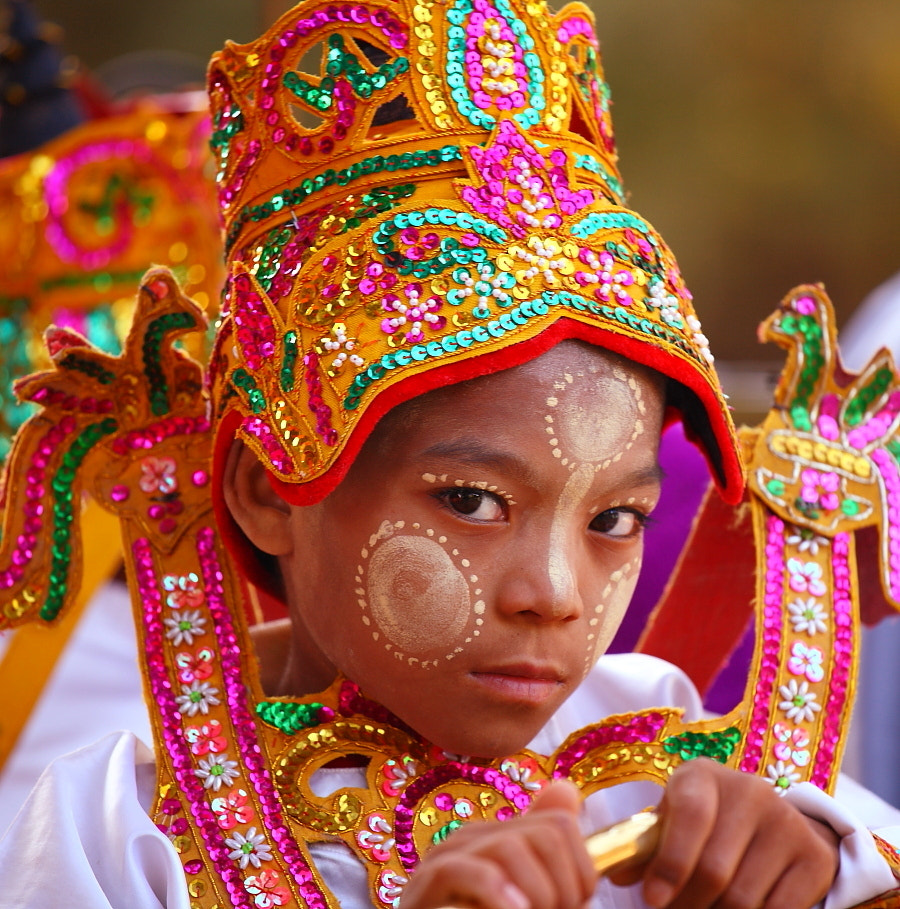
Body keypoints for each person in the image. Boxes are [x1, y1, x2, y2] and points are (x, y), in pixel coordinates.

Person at [1, 0, 899, 906]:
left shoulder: (677, 761)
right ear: (270, 488)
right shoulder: (116, 834)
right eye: (472, 501)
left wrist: (826, 871)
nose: (554, 594)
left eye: (616, 519)